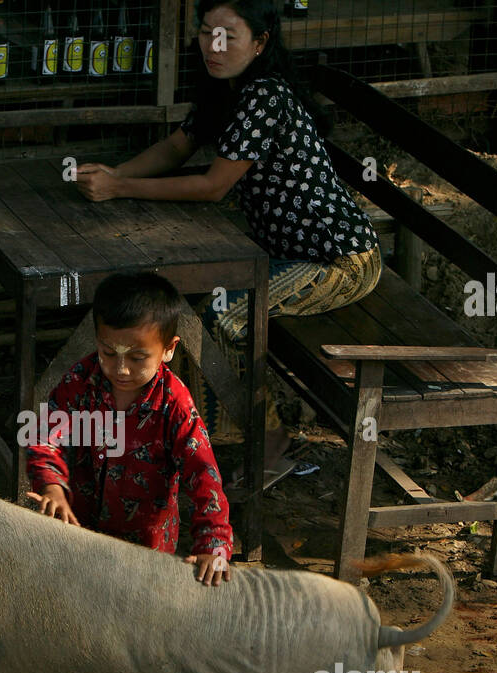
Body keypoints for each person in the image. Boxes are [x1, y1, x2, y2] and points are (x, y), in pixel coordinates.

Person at [74, 0, 382, 478]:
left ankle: (262, 442)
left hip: (338, 261)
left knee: (221, 316)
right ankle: (198, 438)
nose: (212, 47)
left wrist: (121, 187)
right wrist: (116, 174)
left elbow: (213, 185)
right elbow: (178, 146)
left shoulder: (264, 96)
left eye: (228, 36)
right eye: (205, 33)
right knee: (193, 300)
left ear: (260, 44)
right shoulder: (226, 88)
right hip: (284, 253)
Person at [26, 273, 234, 586]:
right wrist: (51, 485)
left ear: (168, 348)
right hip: (80, 531)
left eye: (137, 357)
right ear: (97, 339)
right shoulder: (81, 380)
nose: (121, 369)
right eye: (109, 352)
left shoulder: (174, 406)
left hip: (147, 551)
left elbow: (204, 476)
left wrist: (212, 545)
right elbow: (44, 434)